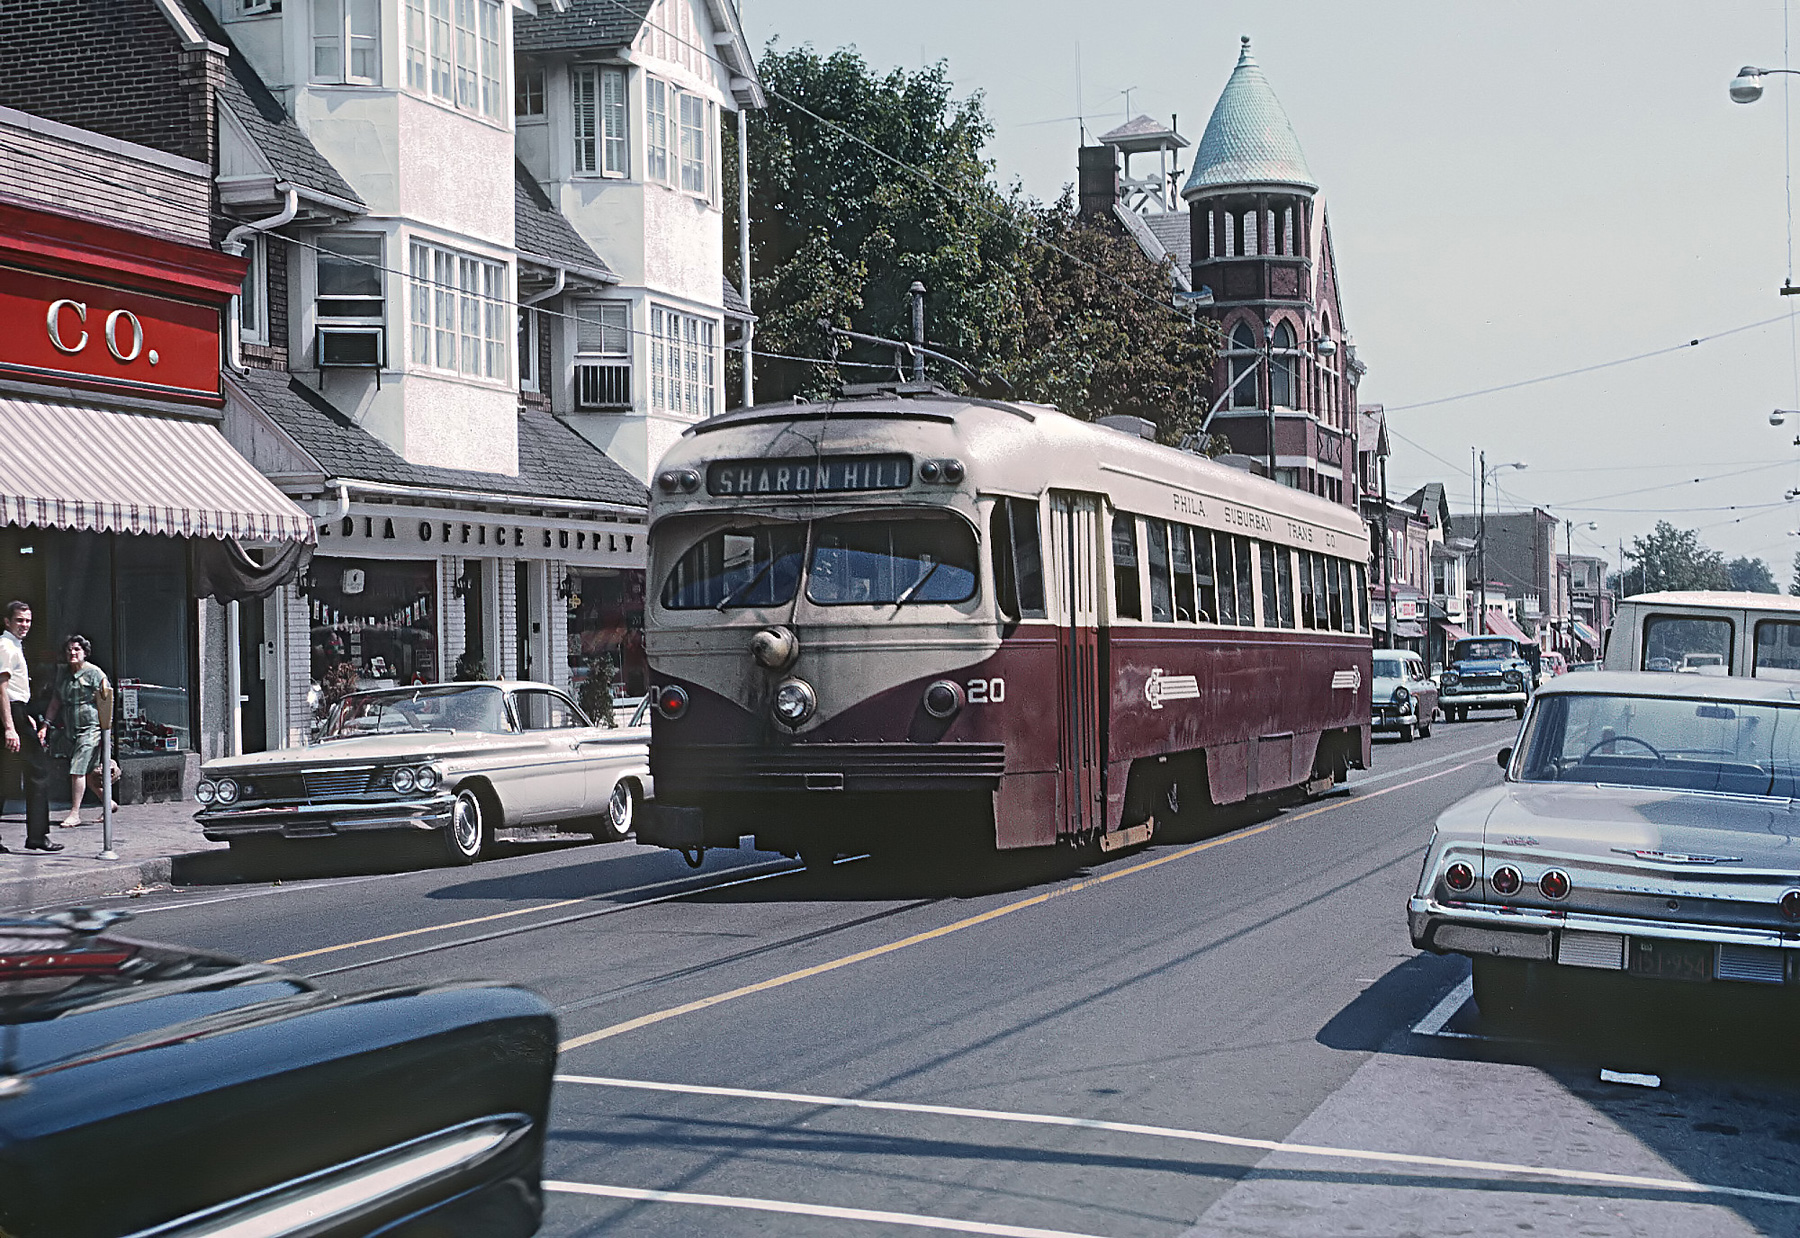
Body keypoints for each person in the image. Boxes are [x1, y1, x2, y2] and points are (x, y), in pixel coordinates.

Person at [0, 600, 61, 853]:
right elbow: (1, 688)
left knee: (5, 776)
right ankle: (37, 835)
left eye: (28, 620)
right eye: (19, 620)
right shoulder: (6, 646)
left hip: (18, 712)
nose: (25, 625)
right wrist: (10, 727)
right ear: (7, 621)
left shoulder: (13, 645)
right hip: (10, 713)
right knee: (38, 772)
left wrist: (25, 716)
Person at [46, 634, 115, 828]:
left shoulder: (94, 673)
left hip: (90, 729)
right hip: (71, 729)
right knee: (89, 773)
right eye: (69, 650)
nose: (72, 653)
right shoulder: (63, 673)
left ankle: (75, 813)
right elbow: (56, 701)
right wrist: (46, 724)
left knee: (77, 769)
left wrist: (105, 731)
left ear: (85, 652)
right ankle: (108, 803)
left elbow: (106, 700)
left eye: (76, 649)